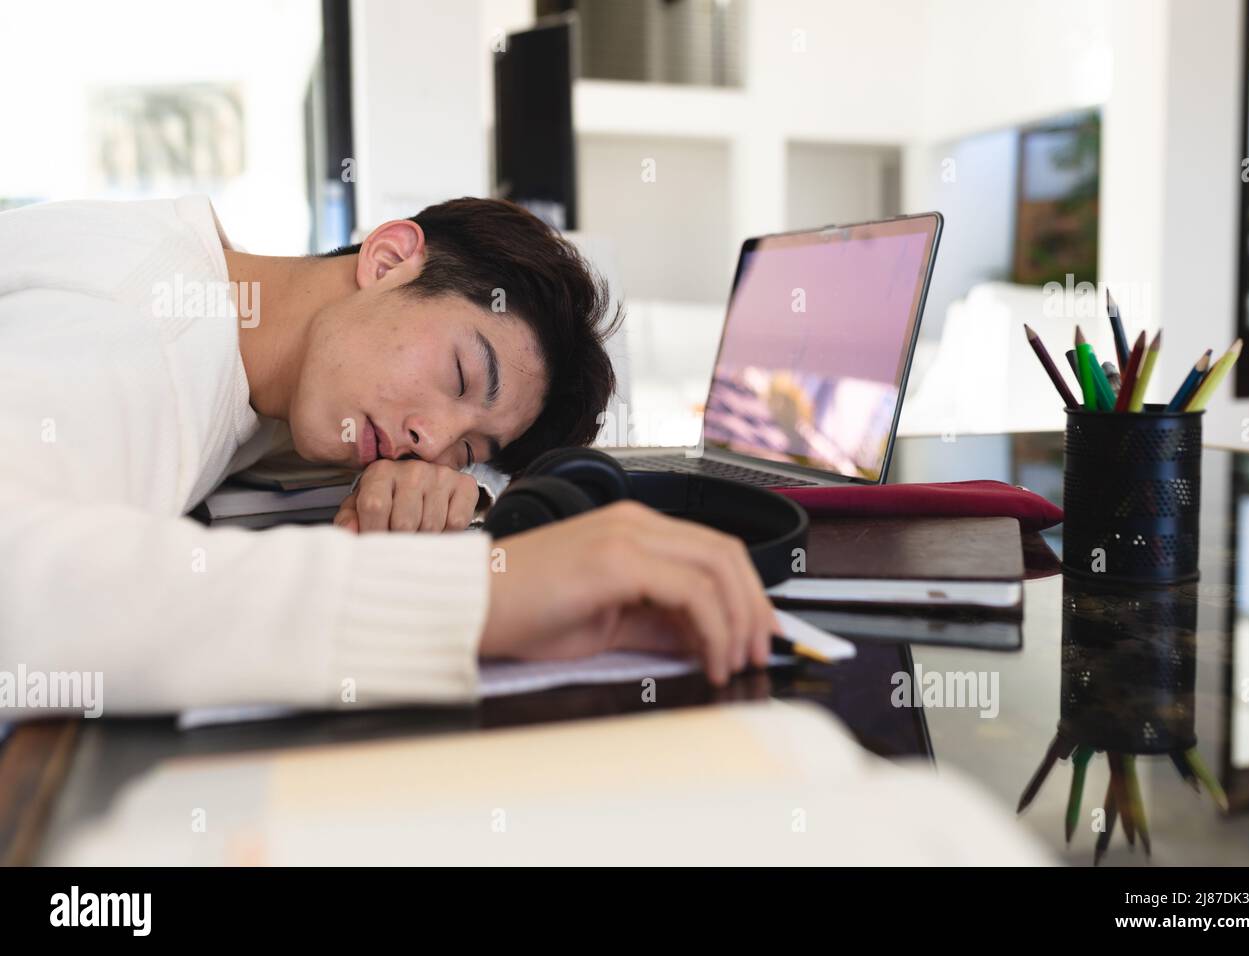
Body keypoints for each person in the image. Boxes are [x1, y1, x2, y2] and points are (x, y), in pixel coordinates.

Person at [0, 195, 776, 718]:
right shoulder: (144, 330)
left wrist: (459, 486)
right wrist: (482, 599)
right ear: (389, 258)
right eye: (461, 376)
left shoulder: (236, 324)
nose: (433, 443)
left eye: (468, 446)